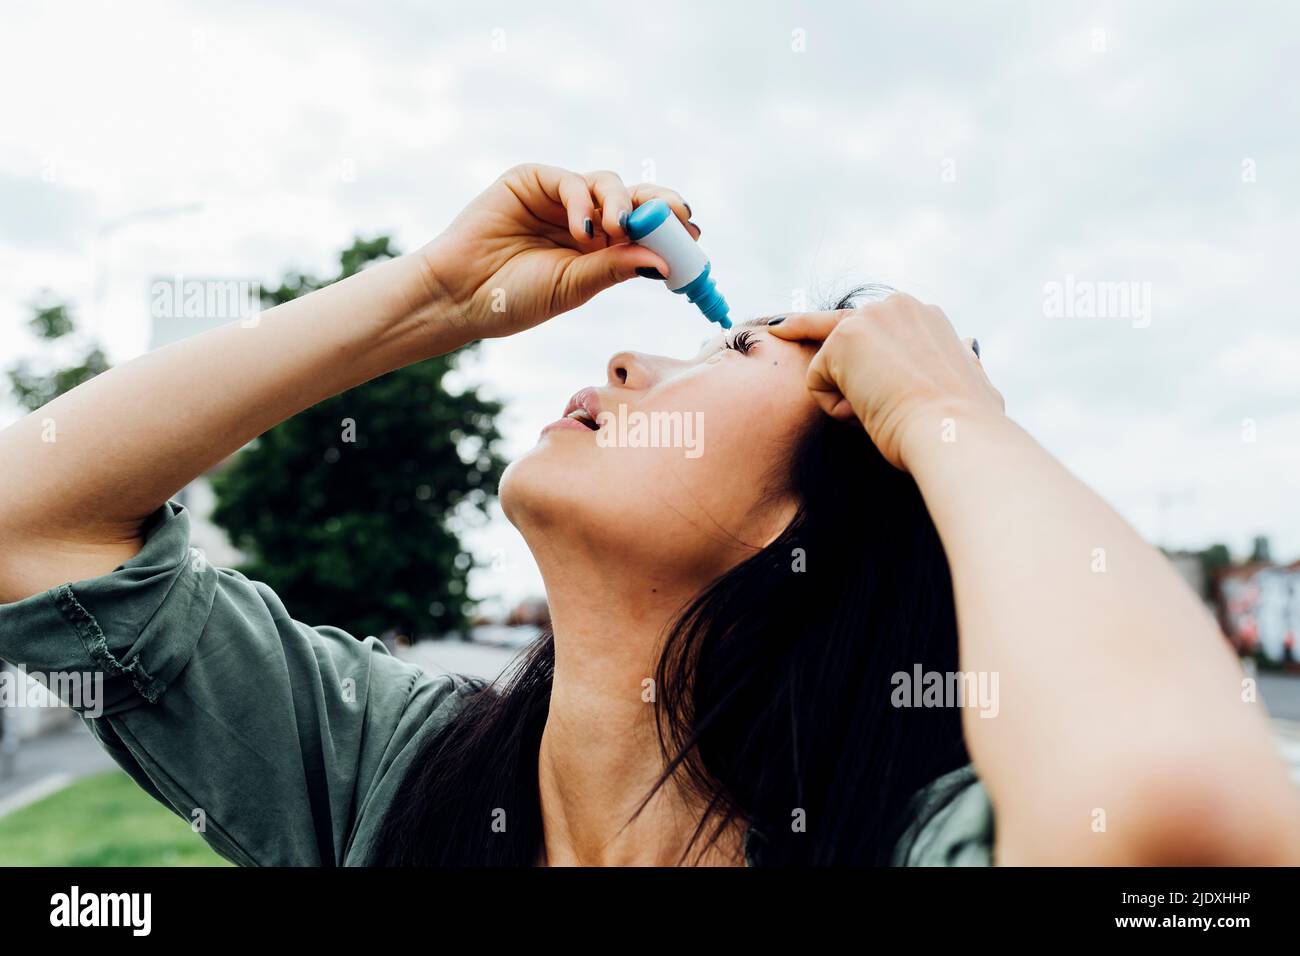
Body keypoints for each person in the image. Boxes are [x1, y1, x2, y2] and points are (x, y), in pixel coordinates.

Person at [0, 164, 1296, 866]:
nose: (625, 362)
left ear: (814, 534)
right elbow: (34, 525)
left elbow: (1183, 824)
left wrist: (951, 418)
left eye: (731, 357)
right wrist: (437, 297)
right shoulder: (399, 783)